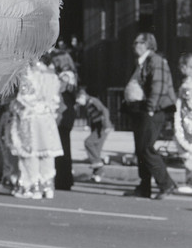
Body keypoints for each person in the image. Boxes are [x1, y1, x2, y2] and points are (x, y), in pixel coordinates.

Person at [124, 33, 178, 200]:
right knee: (140, 149)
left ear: (147, 44)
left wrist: (150, 108)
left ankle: (166, 183)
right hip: (141, 110)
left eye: (137, 42)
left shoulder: (155, 60)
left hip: (153, 111)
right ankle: (144, 187)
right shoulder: (142, 62)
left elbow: (158, 86)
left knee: (146, 147)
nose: (134, 45)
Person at [6, 58, 62, 199]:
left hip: (29, 118)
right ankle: (47, 187)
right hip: (47, 118)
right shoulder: (51, 73)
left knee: (29, 152)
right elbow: (56, 100)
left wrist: (13, 107)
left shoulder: (26, 72)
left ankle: (31, 186)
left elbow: (24, 98)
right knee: (46, 153)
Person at [49, 43, 78, 191]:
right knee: (63, 146)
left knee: (63, 147)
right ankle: (65, 179)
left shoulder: (66, 76)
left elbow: (56, 88)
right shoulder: (69, 75)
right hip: (66, 113)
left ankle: (64, 180)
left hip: (64, 114)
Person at [75, 88, 113, 182]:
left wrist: (107, 125)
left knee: (89, 142)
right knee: (96, 149)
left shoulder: (93, 101)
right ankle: (97, 174)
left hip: (102, 127)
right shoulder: (87, 104)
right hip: (97, 126)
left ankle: (97, 163)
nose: (78, 103)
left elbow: (104, 110)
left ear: (83, 97)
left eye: (78, 100)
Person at [170, 52, 192, 194]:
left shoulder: (187, 85)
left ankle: (190, 182)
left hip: (187, 123)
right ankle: (189, 181)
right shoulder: (186, 84)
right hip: (186, 123)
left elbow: (185, 106)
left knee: (186, 151)